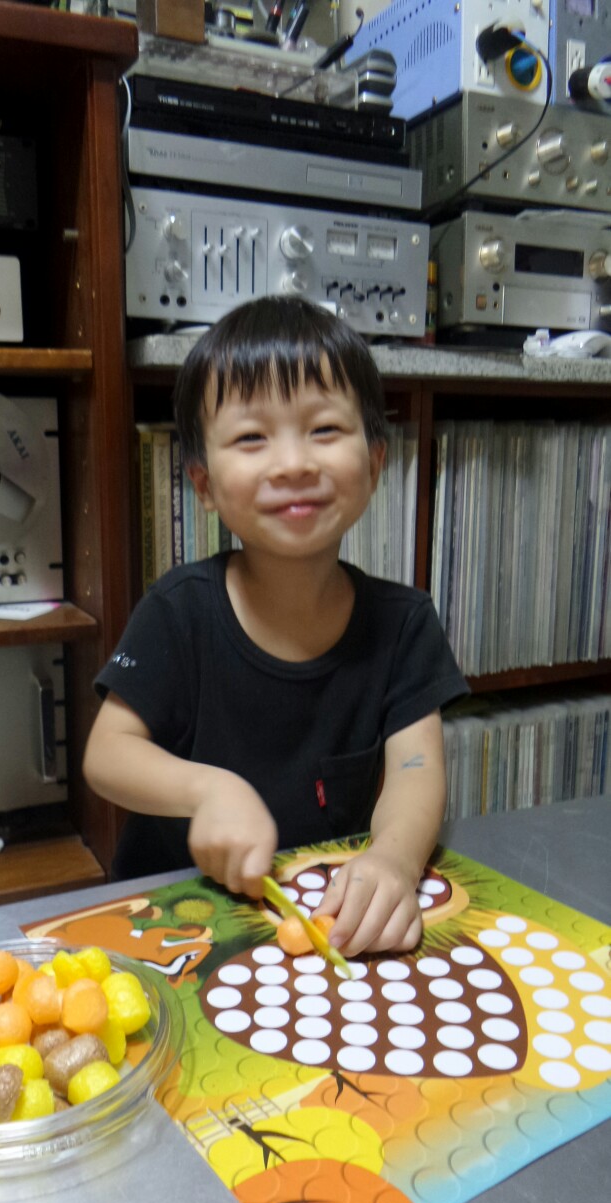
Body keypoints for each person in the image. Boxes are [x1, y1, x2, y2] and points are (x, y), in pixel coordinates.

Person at [83, 296, 468, 957]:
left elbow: (416, 768)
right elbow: (107, 755)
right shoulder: (178, 611)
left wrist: (394, 863)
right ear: (203, 483)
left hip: (323, 928)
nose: (292, 462)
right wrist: (208, 787)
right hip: (176, 923)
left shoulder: (404, 624)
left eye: (323, 429)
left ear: (376, 462)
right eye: (252, 437)